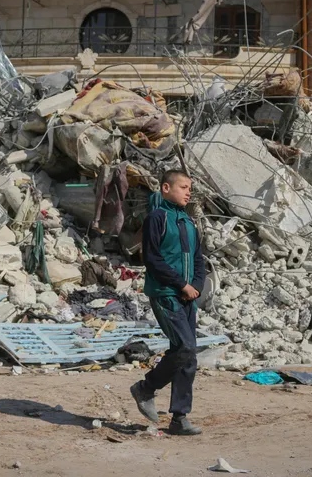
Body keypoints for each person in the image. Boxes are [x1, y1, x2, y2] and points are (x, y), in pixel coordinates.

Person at [130, 169, 206, 436]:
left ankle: (179, 419)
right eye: (183, 187)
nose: (188, 192)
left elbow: (199, 260)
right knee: (185, 347)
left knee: (188, 355)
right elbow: (152, 259)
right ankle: (146, 388)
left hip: (187, 296)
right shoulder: (157, 218)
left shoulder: (188, 222)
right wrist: (180, 285)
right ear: (165, 188)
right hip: (165, 293)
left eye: (189, 188)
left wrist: (195, 286)